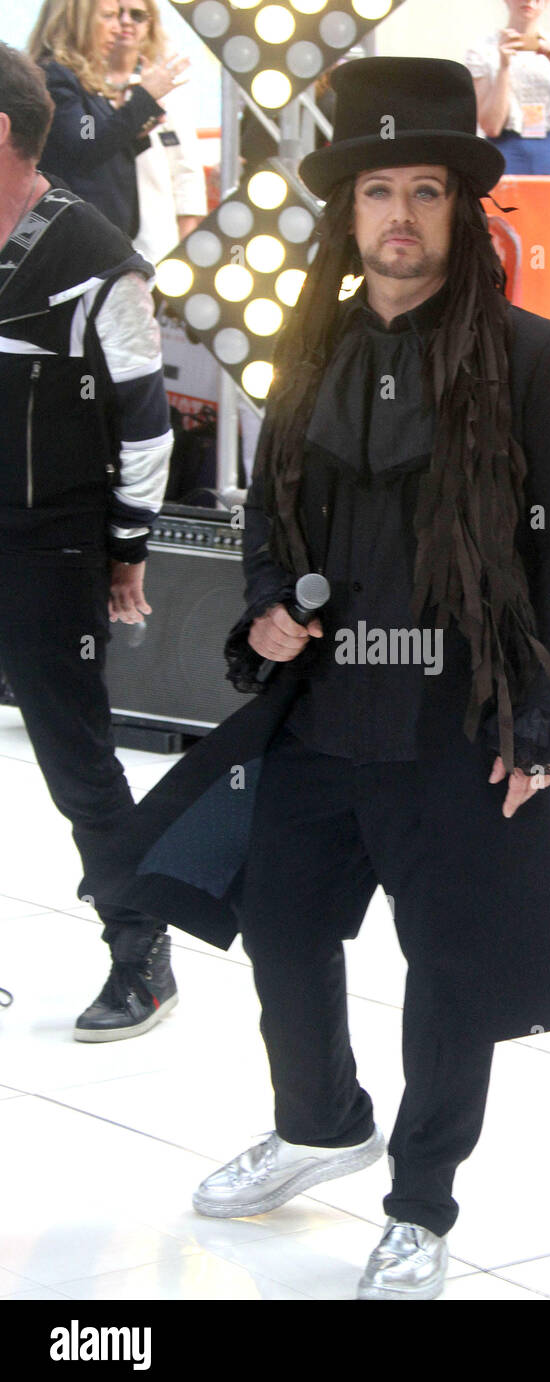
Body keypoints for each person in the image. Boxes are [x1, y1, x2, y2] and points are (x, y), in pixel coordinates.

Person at [175, 56, 550, 1300]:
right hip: (321, 713)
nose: (402, 215)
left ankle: (419, 1203)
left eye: (426, 189)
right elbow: (270, 512)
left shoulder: (530, 357)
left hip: (449, 714)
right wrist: (262, 606)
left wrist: (546, 708)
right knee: (279, 926)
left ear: (460, 209)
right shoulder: (308, 348)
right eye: (378, 192)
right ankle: (320, 1121)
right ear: (347, 213)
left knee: (452, 966)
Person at [0, 42, 176, 1042]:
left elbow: (146, 423)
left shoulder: (97, 258)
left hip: (50, 542)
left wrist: (127, 546)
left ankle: (139, 943)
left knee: (76, 754)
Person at [28, 0, 189, 240]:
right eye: (108, 16)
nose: (117, 27)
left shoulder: (79, 80)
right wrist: (144, 99)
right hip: (77, 236)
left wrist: (135, 137)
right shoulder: (56, 77)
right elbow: (86, 143)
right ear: (76, 23)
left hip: (100, 236)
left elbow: (93, 140)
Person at [105, 0, 206, 265]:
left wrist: (187, 245)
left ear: (150, 25)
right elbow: (85, 142)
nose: (126, 22)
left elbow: (186, 171)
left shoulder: (167, 88)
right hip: (98, 239)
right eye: (116, 14)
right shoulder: (82, 87)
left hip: (155, 244)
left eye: (137, 15)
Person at [465, 0, 550, 173]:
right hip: (504, 146)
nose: (529, 1)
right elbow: (491, 126)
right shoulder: (483, 50)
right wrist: (503, 68)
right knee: (501, 199)